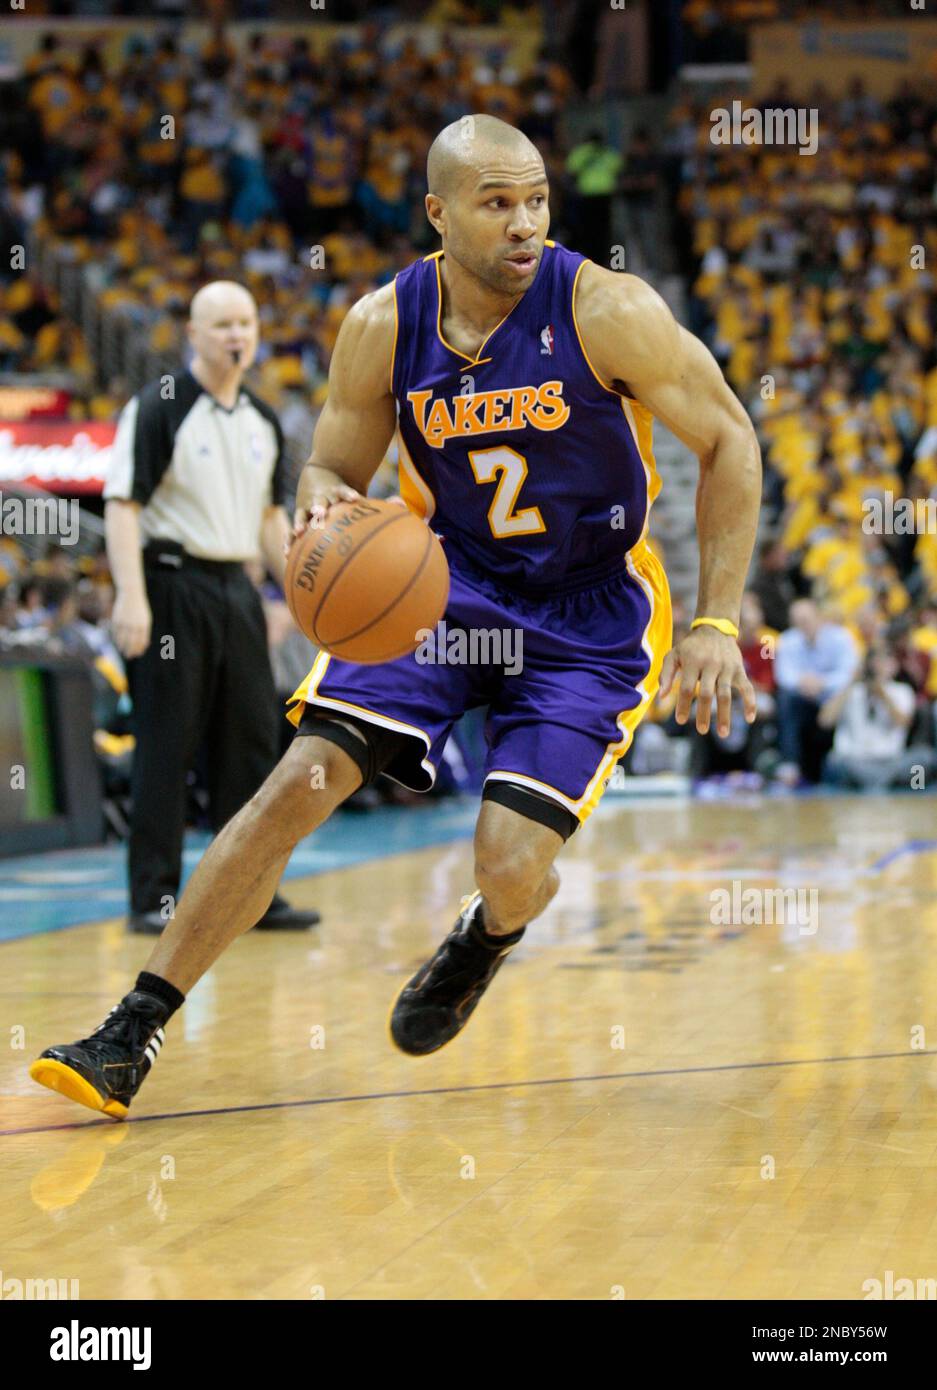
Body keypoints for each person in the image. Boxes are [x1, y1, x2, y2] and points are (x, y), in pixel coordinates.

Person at [30, 115, 760, 1119]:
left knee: (508, 864)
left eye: (536, 200)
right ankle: (131, 1029)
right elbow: (332, 462)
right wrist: (328, 498)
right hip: (444, 587)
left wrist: (716, 623)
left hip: (590, 613)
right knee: (297, 780)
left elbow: (729, 437)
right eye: (496, 203)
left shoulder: (606, 309)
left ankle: (488, 934)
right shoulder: (384, 324)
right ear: (438, 212)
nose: (524, 225)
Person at [100, 279, 320, 934]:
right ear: (192, 334)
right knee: (165, 747)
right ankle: (153, 897)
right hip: (170, 586)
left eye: (246, 323)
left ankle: (249, 895)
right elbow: (122, 505)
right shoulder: (161, 406)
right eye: (220, 324)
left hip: (237, 590)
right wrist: (132, 599)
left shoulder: (262, 418)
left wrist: (306, 599)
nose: (235, 335)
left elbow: (270, 521)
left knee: (251, 750)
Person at [820, 647, 936, 790]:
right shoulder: (852, 691)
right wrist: (850, 683)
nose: (879, 667)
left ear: (894, 666)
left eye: (884, 662)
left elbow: (903, 723)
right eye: (875, 663)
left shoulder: (902, 691)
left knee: (924, 758)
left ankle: (874, 783)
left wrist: (882, 694)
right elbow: (825, 721)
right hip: (854, 759)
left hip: (891, 760)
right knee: (834, 762)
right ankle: (884, 783)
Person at [774, 599, 859, 786]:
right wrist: (803, 682)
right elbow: (783, 675)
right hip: (803, 699)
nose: (802, 625)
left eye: (806, 620)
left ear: (819, 618)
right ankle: (789, 764)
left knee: (854, 695)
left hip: (834, 699)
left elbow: (850, 672)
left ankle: (850, 759)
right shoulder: (787, 640)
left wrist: (822, 683)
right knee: (785, 699)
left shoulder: (841, 637)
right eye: (797, 621)